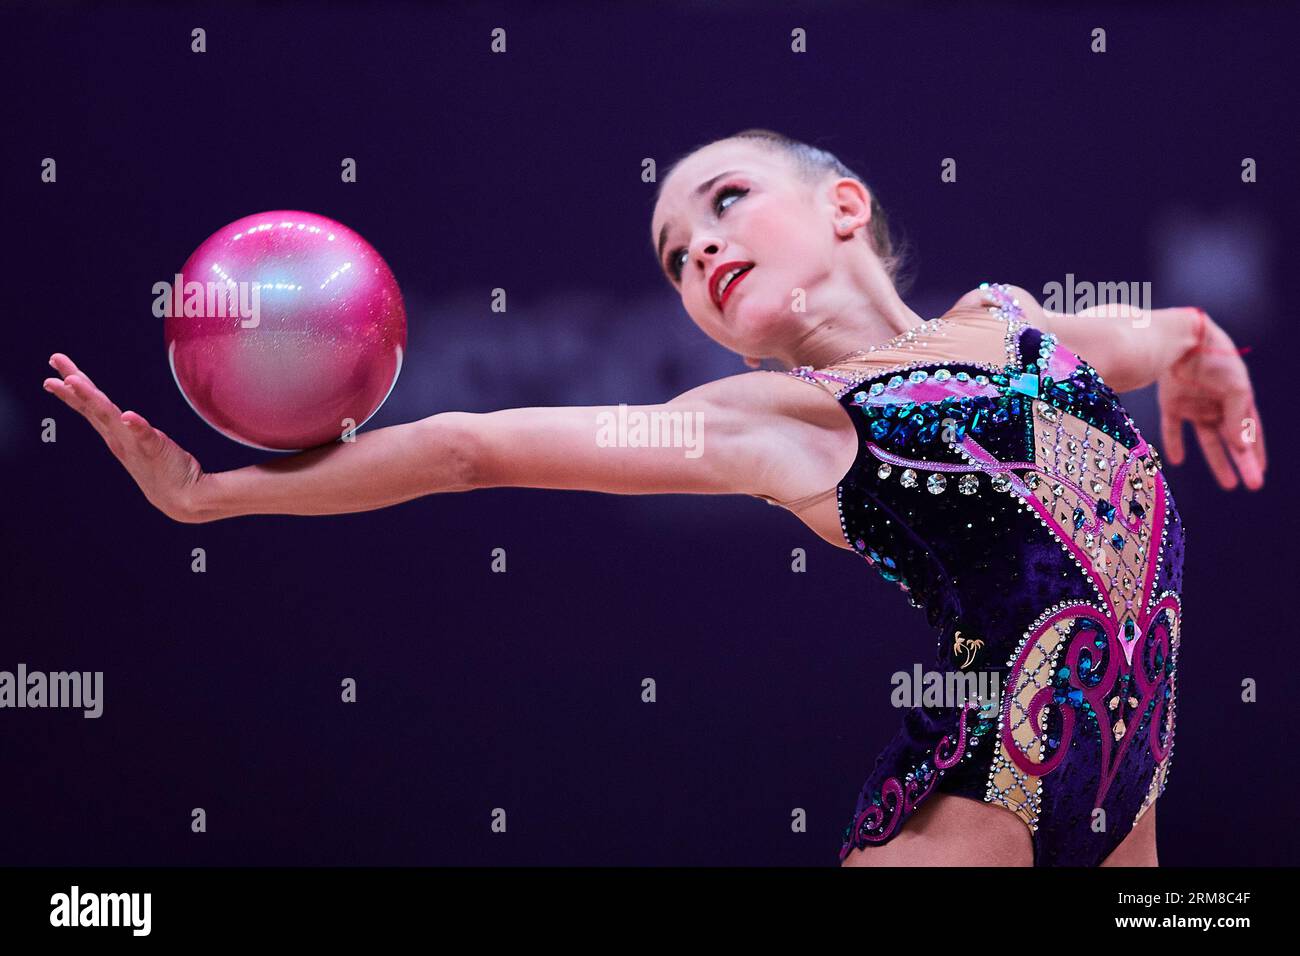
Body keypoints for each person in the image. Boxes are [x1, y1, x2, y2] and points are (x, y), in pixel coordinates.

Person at [42, 129, 1266, 866]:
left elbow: (1144, 335)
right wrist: (217, 497)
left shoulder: (1014, 322)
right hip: (969, 809)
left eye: (725, 202)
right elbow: (471, 445)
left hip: (1130, 829)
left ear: (845, 206)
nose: (701, 252)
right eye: (677, 257)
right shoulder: (781, 425)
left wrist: (1201, 351)